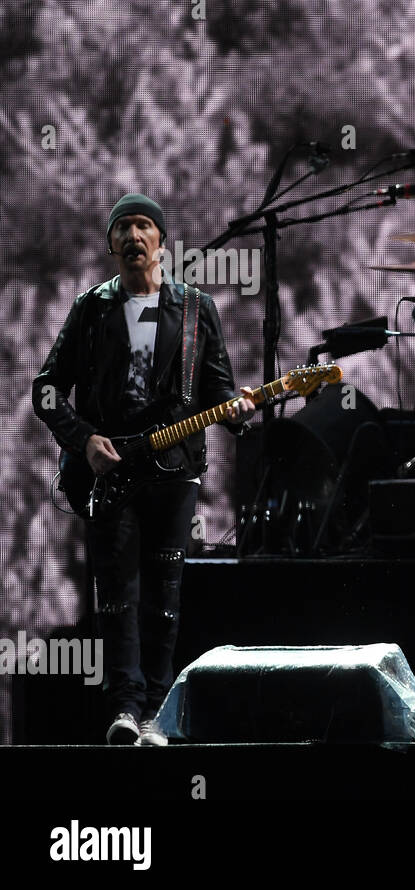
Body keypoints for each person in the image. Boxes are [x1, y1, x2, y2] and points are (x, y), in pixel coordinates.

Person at [33, 193, 256, 746]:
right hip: (109, 475)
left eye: (143, 226)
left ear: (161, 240)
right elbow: (45, 391)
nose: (134, 236)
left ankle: (157, 712)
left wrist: (238, 412)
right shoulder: (91, 308)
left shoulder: (196, 308)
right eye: (123, 228)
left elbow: (219, 390)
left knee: (166, 592)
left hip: (175, 470)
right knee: (116, 593)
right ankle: (126, 712)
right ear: (111, 244)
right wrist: (84, 442)